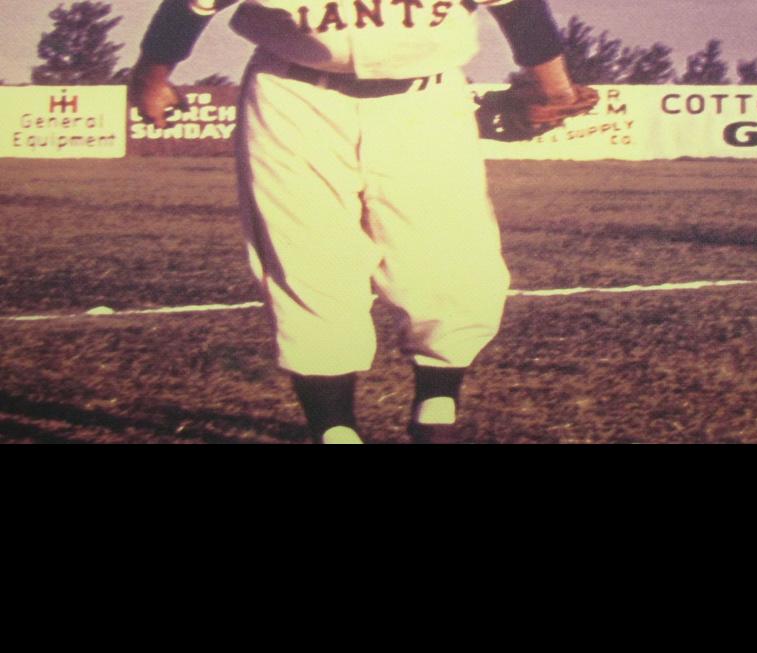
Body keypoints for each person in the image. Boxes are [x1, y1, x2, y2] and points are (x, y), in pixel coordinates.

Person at [129, 0, 584, 443]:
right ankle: (333, 428)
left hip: (425, 99)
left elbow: (519, 8)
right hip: (295, 96)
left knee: (449, 255)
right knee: (309, 256)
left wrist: (555, 90)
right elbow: (193, 5)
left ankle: (437, 403)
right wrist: (151, 77)